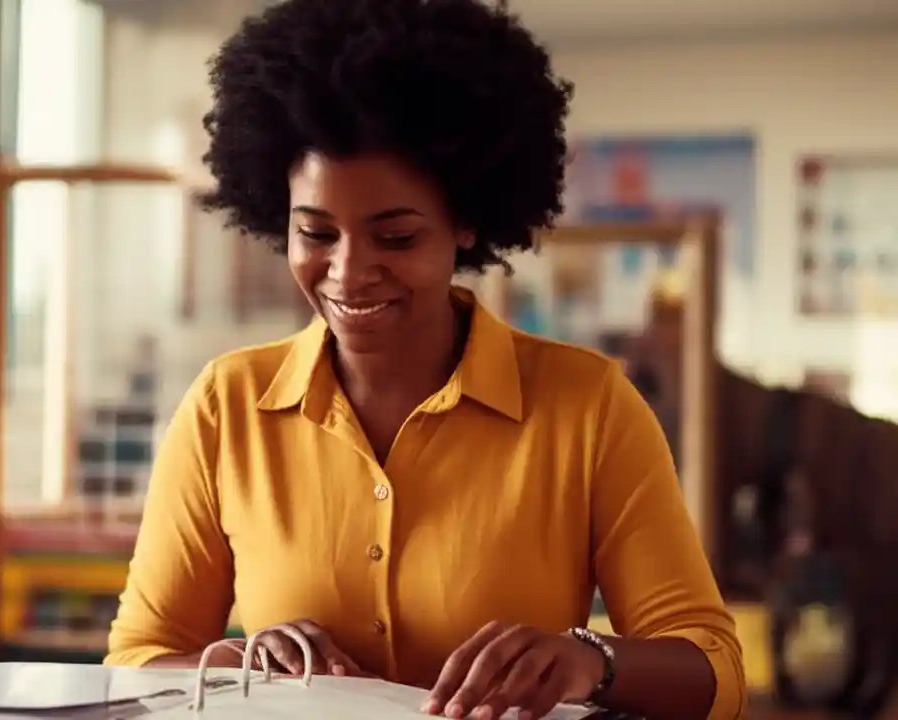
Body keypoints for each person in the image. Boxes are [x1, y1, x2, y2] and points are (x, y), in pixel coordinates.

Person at [105, 0, 745, 718]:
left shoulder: (588, 405)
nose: (347, 272)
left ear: (465, 223)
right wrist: (235, 666)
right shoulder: (227, 406)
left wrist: (585, 660)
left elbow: (712, 670)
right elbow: (137, 660)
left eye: (397, 238)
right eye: (315, 233)